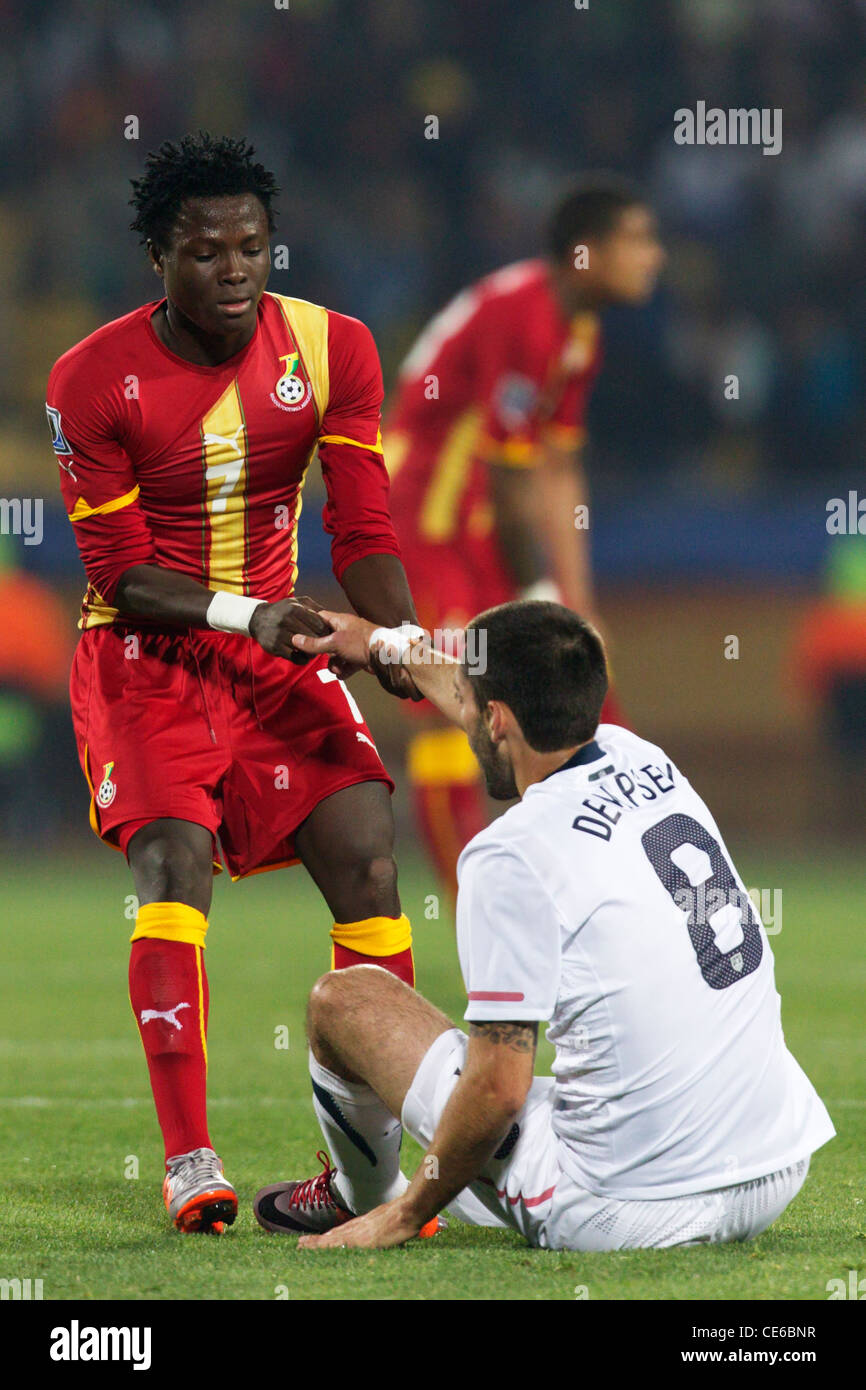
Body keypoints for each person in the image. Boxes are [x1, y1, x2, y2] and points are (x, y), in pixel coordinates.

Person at [45, 132, 426, 1235]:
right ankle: (188, 1159)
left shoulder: (334, 346)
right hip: (143, 659)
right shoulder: (90, 379)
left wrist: (396, 637)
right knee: (172, 860)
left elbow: (360, 525)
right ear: (157, 255)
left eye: (251, 246)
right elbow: (119, 575)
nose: (234, 270)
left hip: (276, 653)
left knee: (366, 854)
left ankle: (362, 1178)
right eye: (205, 250)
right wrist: (248, 613)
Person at [253, 603, 835, 1251]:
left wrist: (408, 1215)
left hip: (631, 1210)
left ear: (497, 719)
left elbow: (500, 1088)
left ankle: (366, 1199)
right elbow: (485, 691)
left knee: (346, 1001)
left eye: (474, 708)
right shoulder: (644, 757)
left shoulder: (510, 854)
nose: (466, 716)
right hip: (776, 1163)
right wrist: (385, 645)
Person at [383, 177, 665, 893]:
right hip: (426, 519)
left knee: (585, 684)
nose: (653, 257)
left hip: (480, 524)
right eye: (636, 240)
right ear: (584, 254)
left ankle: (629, 888)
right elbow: (513, 481)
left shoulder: (578, 332)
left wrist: (577, 603)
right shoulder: (527, 318)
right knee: (448, 704)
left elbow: (556, 470)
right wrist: (544, 592)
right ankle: (481, 917)